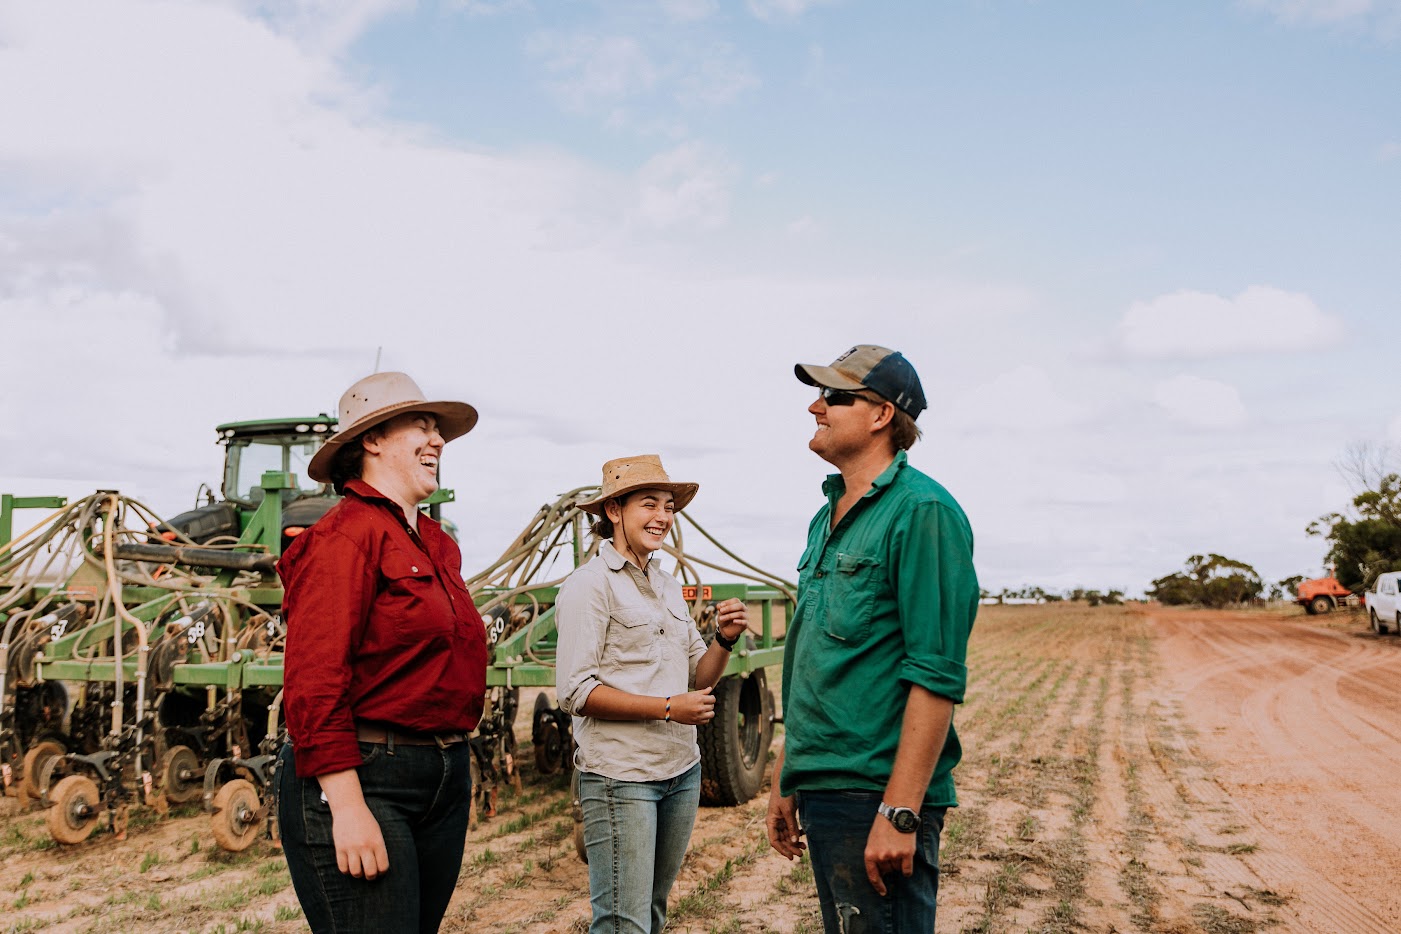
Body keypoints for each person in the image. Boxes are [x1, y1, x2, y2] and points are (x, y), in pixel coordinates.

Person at [765, 345, 979, 933]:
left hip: (875, 795)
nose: (816, 407)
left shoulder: (923, 512)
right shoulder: (828, 515)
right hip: (827, 788)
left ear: (883, 414)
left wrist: (900, 811)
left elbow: (935, 673)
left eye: (835, 397)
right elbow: (815, 661)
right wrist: (787, 777)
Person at [275, 371, 489, 934]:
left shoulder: (439, 545)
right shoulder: (344, 535)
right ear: (371, 440)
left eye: (438, 429)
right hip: (369, 778)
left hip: (442, 774)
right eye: (421, 425)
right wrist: (347, 806)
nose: (438, 440)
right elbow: (314, 680)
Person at [556, 455, 751, 934]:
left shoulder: (666, 585)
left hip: (680, 772)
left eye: (668, 506)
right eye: (649, 504)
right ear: (614, 511)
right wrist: (668, 708)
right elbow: (576, 692)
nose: (663, 516)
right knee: (624, 923)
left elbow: (699, 677)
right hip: (621, 777)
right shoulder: (589, 586)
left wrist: (725, 639)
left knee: (653, 913)